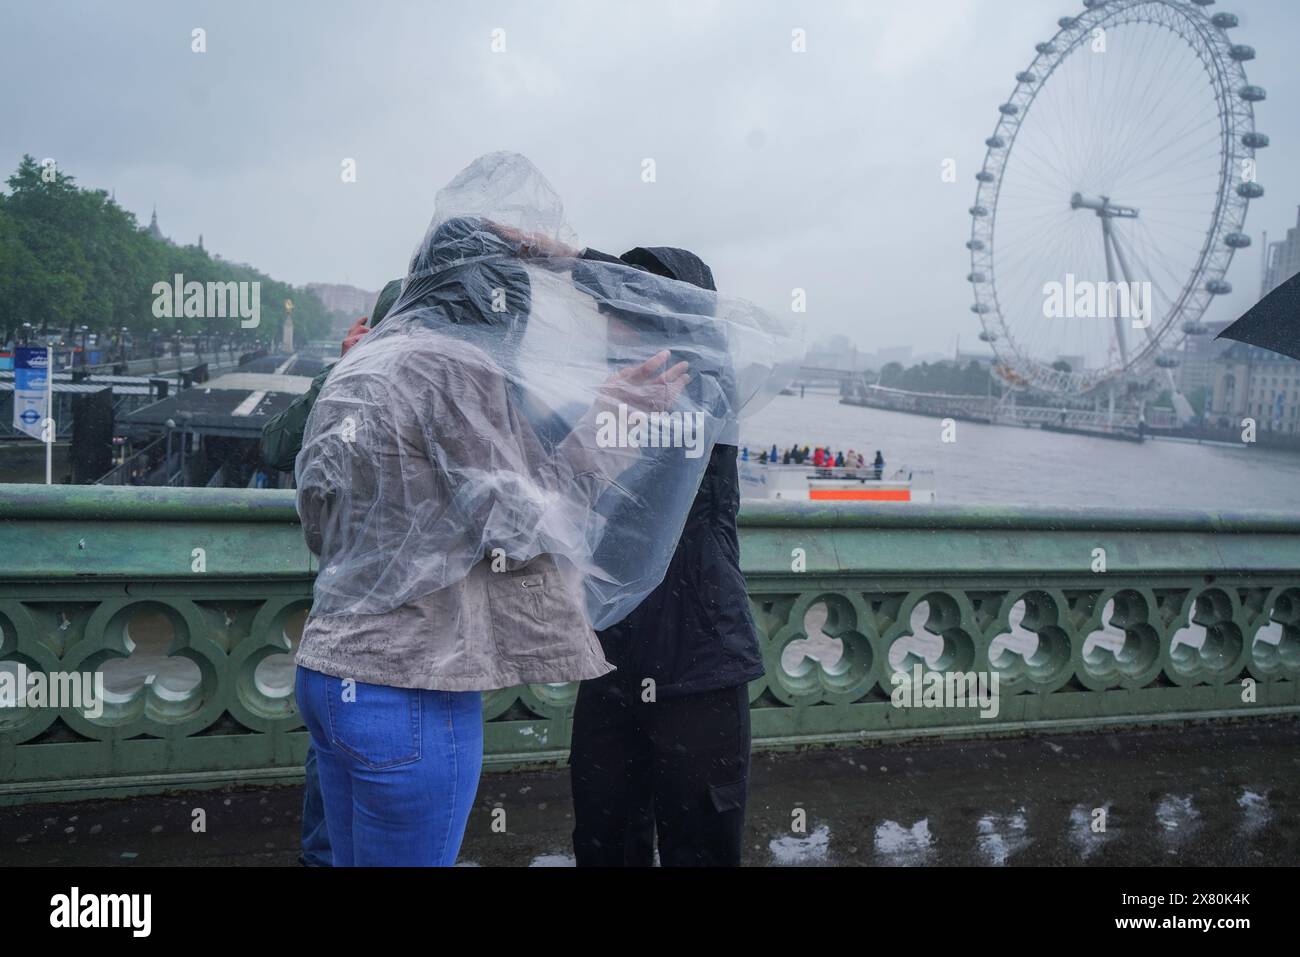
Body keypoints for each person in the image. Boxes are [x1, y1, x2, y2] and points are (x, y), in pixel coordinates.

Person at [570, 246, 761, 868]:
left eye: (631, 309)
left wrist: (564, 255)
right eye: (612, 312)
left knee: (699, 846)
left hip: (698, 654)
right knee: (604, 837)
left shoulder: (704, 384)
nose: (614, 325)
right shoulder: (610, 401)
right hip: (612, 652)